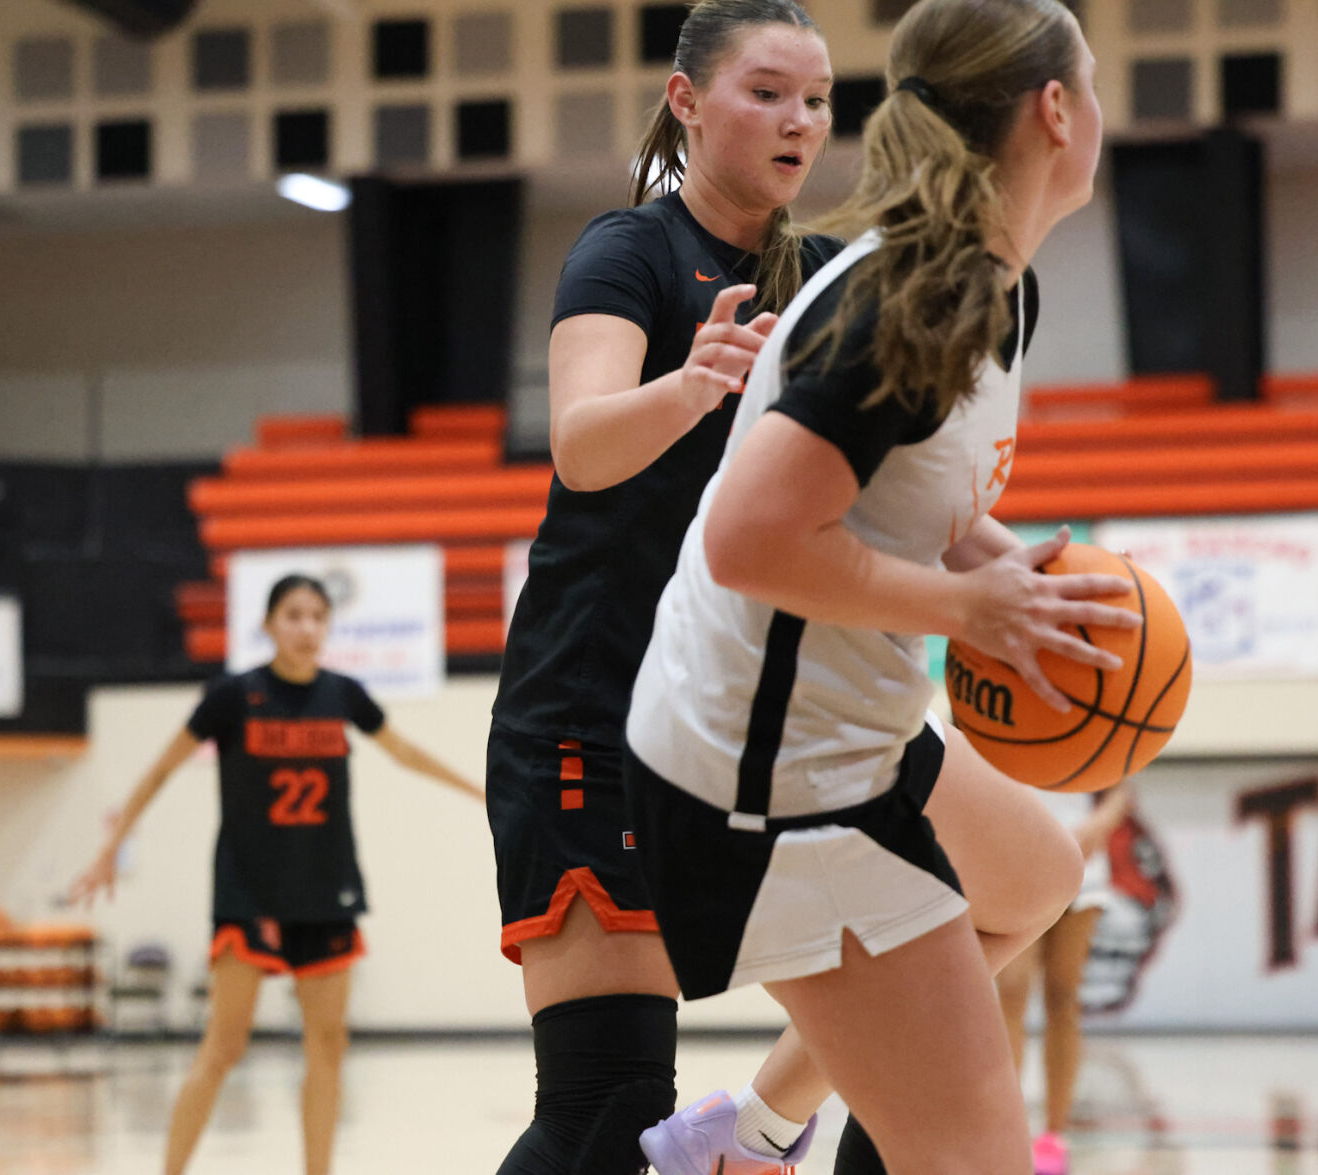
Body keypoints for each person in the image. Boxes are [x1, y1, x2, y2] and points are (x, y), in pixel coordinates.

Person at [622, 1, 1131, 1171]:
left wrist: (1021, 578)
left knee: (1036, 872)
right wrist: (971, 611)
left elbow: (900, 502)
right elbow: (749, 540)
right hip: (763, 776)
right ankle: (746, 1144)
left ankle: (741, 1136)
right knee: (976, 1160)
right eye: (1091, 83)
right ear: (1053, 110)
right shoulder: (906, 296)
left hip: (832, 730)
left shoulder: (993, 287)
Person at [483, 3, 843, 1171]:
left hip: (753, 717)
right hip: (596, 706)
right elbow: (582, 444)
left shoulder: (832, 278)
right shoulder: (629, 251)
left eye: (817, 99)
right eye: (767, 92)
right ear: (686, 101)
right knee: (604, 1105)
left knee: (930, 1022)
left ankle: (752, 1138)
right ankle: (734, 1142)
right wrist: (688, 385)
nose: (799, 121)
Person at [69, 573, 478, 1175]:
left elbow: (406, 752)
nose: (307, 627)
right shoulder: (233, 696)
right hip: (250, 889)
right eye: (294, 615)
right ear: (267, 625)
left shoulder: (344, 695)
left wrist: (481, 790)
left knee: (328, 1047)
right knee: (224, 1046)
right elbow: (160, 770)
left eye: (317, 616)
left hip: (326, 885)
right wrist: (110, 848)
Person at [995, 783, 1136, 1175]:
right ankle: (1007, 1132)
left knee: (1062, 996)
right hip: (1016, 856)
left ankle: (1055, 1136)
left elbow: (1122, 790)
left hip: (1081, 856)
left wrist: (1098, 825)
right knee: (1010, 990)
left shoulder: (1092, 727)